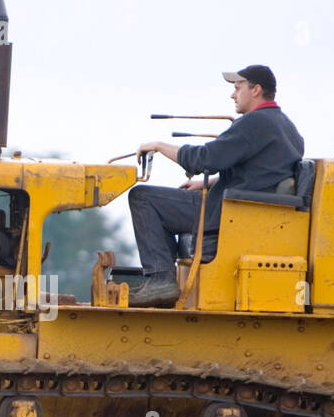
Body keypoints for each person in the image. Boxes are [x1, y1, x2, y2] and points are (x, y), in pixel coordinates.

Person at [125, 65, 304, 307]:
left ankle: (160, 280)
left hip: (228, 213)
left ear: (256, 90)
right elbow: (260, 175)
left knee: (142, 197)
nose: (233, 95)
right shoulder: (287, 128)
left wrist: (159, 146)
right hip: (246, 210)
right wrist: (205, 183)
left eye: (237, 88)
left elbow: (203, 159)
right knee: (158, 200)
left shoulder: (254, 123)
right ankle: (164, 282)